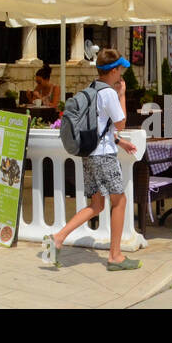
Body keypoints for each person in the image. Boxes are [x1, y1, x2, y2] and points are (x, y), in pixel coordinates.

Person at [41, 49, 140, 271]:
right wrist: (122, 94)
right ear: (114, 70)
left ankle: (57, 237)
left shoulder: (91, 89)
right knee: (120, 201)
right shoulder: (109, 94)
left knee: (96, 205)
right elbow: (121, 123)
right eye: (121, 69)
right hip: (104, 156)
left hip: (90, 154)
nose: (122, 73)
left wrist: (119, 141)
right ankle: (115, 256)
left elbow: (100, 126)